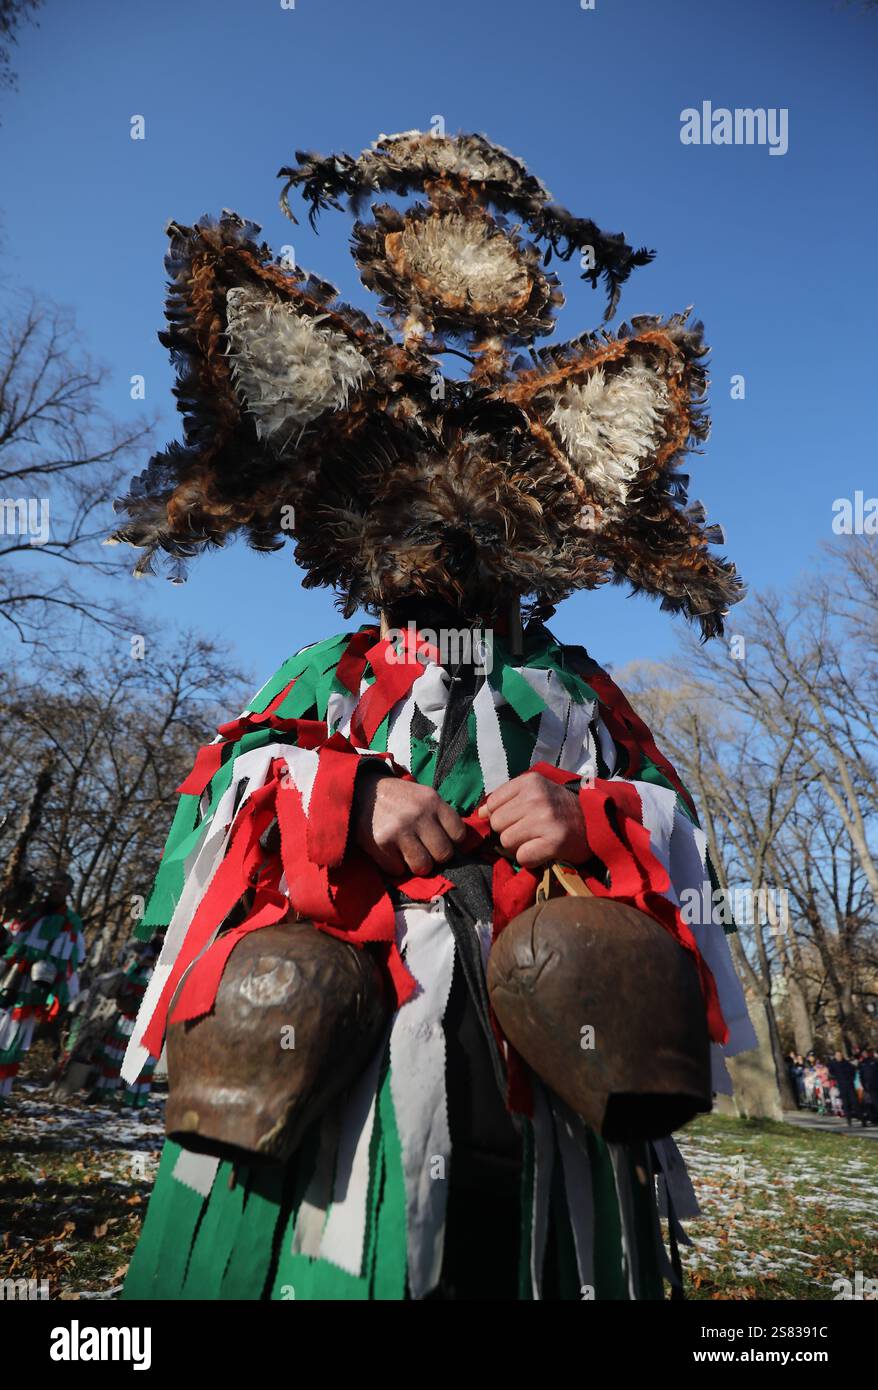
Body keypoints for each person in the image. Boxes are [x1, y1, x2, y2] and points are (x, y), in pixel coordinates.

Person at [113, 130, 757, 1301]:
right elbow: (207, 810)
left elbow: (682, 844)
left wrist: (593, 817)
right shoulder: (322, 673)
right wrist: (336, 795)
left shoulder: (573, 690)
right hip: (331, 1104)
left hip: (544, 1088)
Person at [0, 873, 85, 1100]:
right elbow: (11, 935)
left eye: (61, 886)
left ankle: (2, 1091)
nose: (56, 889)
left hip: (33, 984)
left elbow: (71, 959)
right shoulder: (31, 912)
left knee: (13, 1038)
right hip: (8, 974)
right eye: (54, 885)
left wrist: (64, 990)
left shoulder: (70, 921)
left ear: (68, 891)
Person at [828, 1051, 862, 1127]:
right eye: (837, 1055)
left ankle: (862, 1119)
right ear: (835, 1057)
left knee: (855, 1103)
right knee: (846, 1104)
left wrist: (851, 1079)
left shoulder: (847, 1063)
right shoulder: (833, 1064)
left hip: (850, 1086)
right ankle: (849, 1121)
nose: (839, 1057)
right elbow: (830, 1072)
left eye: (840, 1055)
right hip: (842, 1087)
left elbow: (853, 1070)